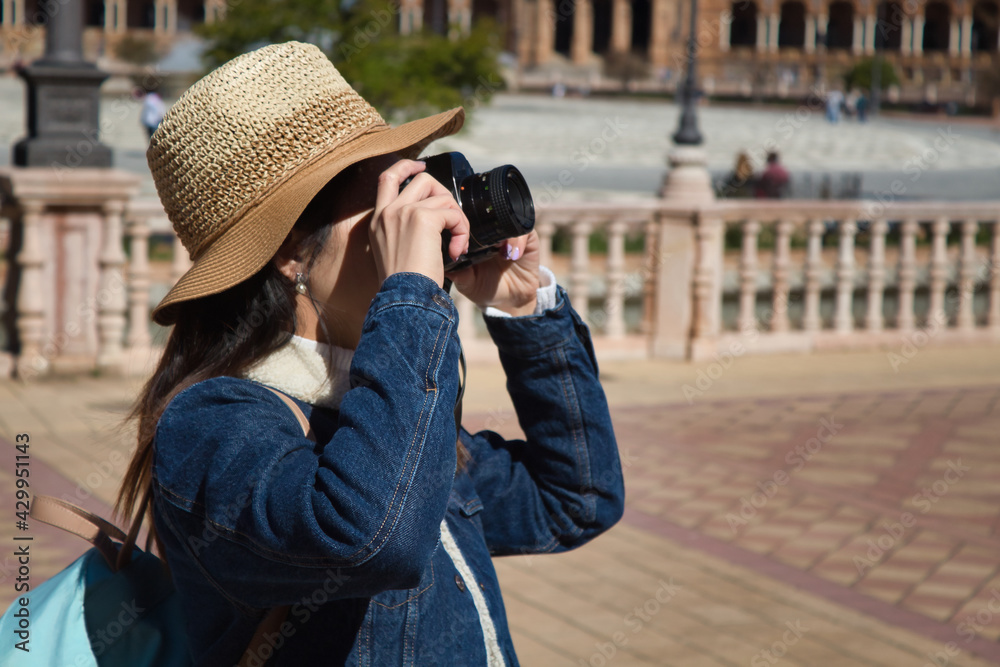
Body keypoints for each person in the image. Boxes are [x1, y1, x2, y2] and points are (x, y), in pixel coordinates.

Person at [115, 41, 624, 666]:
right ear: (290, 251)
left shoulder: (376, 403)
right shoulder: (212, 426)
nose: (423, 208)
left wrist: (523, 309)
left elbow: (575, 501)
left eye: (413, 175)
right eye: (390, 190)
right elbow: (372, 538)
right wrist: (409, 294)